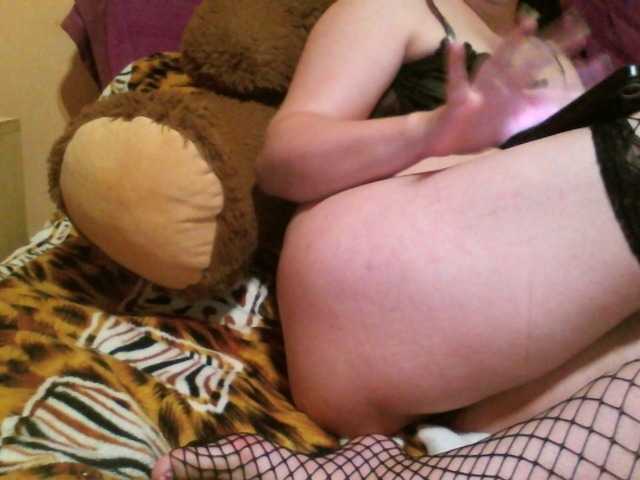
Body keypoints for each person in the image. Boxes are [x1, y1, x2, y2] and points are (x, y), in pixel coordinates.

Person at [153, 0, 640, 477]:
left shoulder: (559, 55)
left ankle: (392, 472)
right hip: (365, 291)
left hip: (488, 373)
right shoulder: (394, 8)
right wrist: (428, 131)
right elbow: (281, 163)